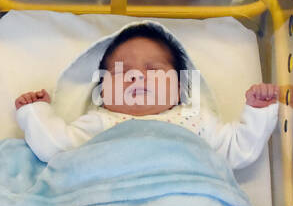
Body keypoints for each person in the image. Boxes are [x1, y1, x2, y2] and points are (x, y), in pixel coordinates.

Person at [14, 23, 277, 168]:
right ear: (102, 91)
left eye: (153, 69)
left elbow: (238, 149)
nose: (136, 76)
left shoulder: (194, 121)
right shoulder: (98, 123)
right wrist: (36, 112)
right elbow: (55, 147)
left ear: (178, 88)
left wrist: (258, 111)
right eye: (121, 71)